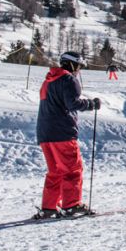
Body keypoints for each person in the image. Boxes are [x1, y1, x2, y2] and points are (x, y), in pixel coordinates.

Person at [35, 51, 100, 218]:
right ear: (72, 65)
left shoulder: (48, 81)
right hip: (62, 132)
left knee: (55, 171)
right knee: (73, 169)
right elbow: (72, 104)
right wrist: (91, 104)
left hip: (45, 133)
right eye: (79, 66)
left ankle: (49, 208)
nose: (79, 70)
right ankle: (71, 205)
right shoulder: (68, 79)